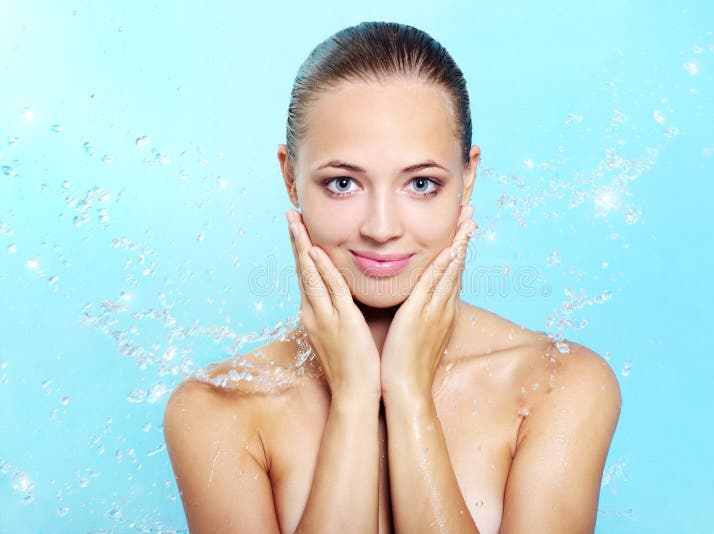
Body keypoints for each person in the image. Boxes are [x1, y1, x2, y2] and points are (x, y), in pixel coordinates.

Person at [163, 20, 621, 534]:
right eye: (343, 183)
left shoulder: (558, 385)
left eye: (421, 183)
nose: (381, 228)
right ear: (289, 175)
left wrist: (407, 393)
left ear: (467, 177)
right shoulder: (217, 410)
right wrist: (356, 396)